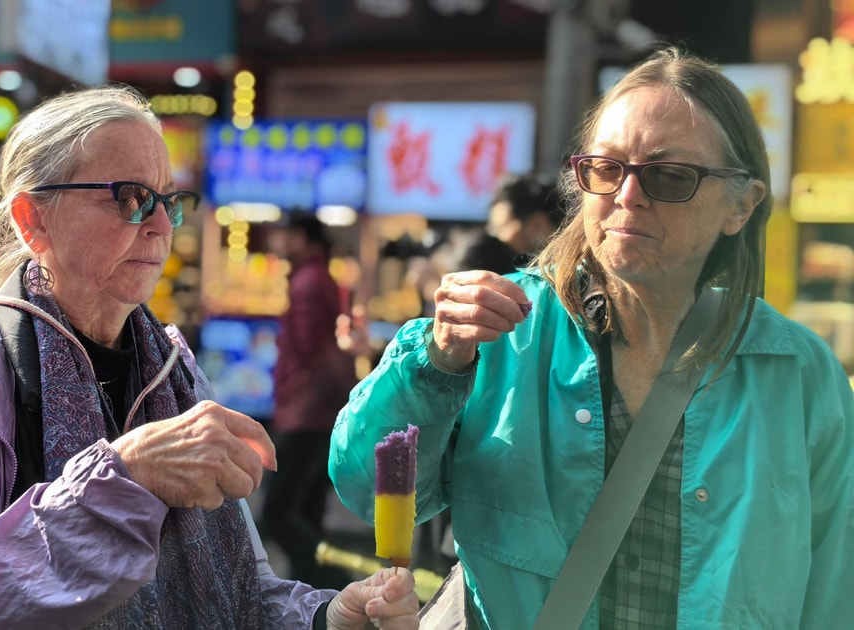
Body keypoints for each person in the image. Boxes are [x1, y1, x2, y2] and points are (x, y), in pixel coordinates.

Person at [0, 85, 419, 629]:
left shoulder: (172, 367)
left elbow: (244, 592)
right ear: (33, 220)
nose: (160, 226)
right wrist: (121, 480)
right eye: (129, 198)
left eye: (169, 201)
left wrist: (327, 617)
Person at [330, 47, 854, 629]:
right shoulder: (503, 329)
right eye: (607, 168)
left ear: (741, 205)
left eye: (670, 175)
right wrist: (436, 363)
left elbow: (835, 592)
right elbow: (364, 488)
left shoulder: (798, 373)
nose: (628, 195)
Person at [261, 210, 360, 589]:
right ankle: (318, 599)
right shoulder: (320, 277)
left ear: (301, 238)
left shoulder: (307, 282)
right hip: (319, 411)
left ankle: (338, 583)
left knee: (278, 512)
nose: (278, 244)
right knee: (307, 510)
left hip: (305, 414)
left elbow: (312, 352)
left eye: (284, 236)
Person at [457, 172, 564, 274]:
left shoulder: (565, 268)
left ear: (537, 224)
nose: (495, 237)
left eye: (503, 227)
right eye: (493, 229)